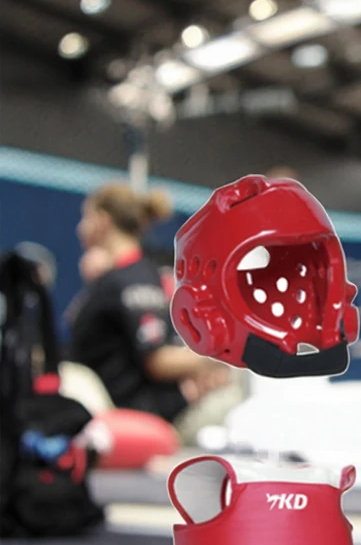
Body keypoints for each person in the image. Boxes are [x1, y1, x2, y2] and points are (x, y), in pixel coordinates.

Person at [69, 183, 240, 440]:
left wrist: (223, 354)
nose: (79, 227)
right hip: (117, 411)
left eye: (85, 217)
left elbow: (157, 359)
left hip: (130, 416)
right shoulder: (125, 276)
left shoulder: (131, 280)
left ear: (102, 222)